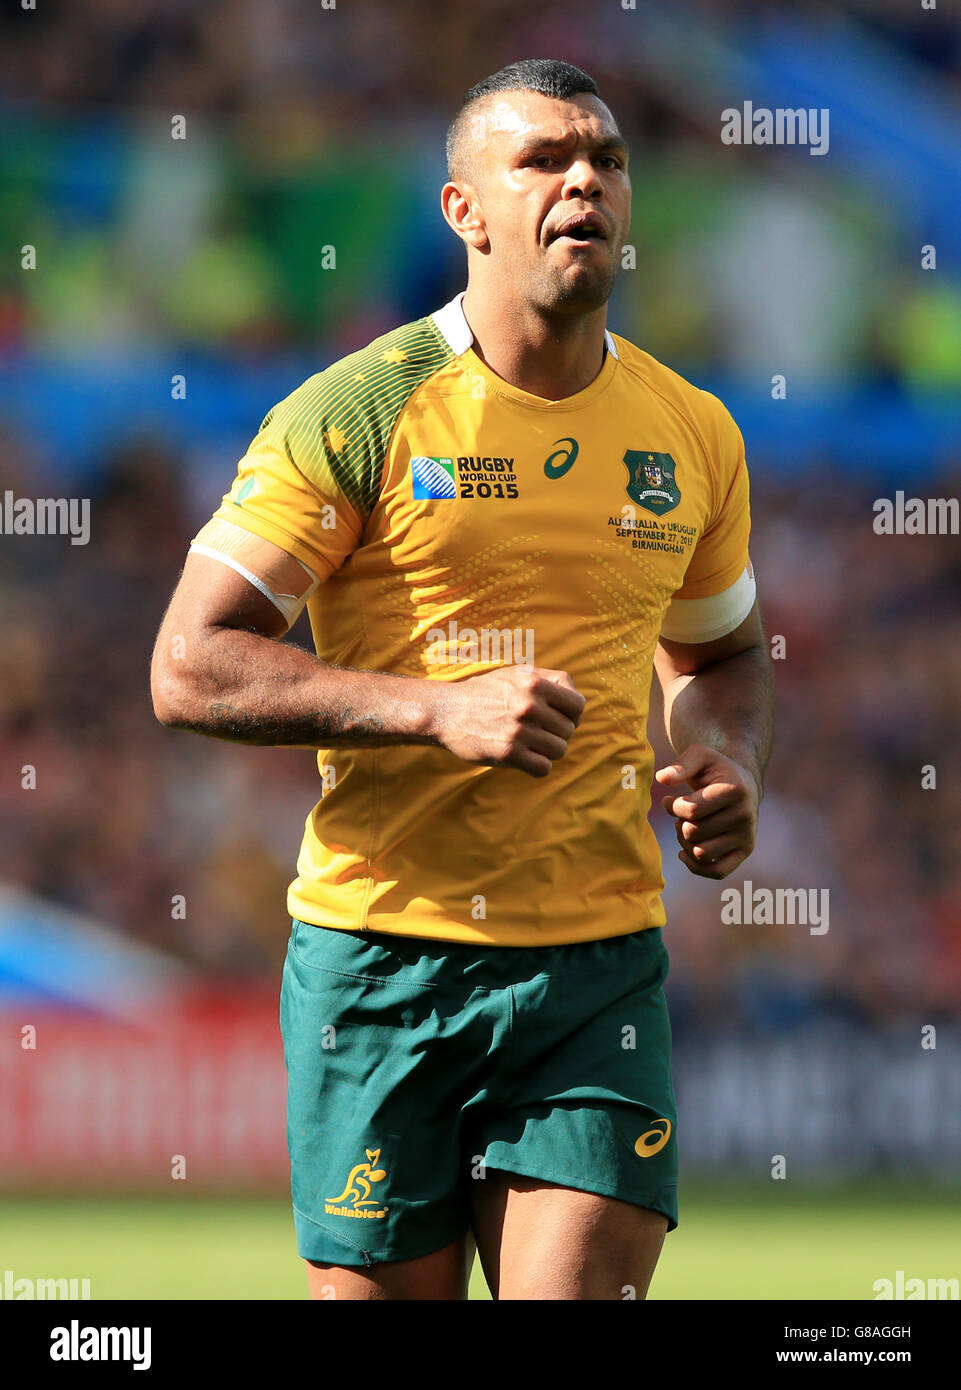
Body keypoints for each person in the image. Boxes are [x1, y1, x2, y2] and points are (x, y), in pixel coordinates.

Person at [150, 58, 775, 1301]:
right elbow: (189, 665)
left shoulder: (692, 430)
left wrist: (730, 757)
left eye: (605, 157)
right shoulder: (359, 411)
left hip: (595, 967)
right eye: (542, 158)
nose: (584, 178)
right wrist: (434, 709)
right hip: (378, 965)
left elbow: (722, 654)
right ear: (465, 211)